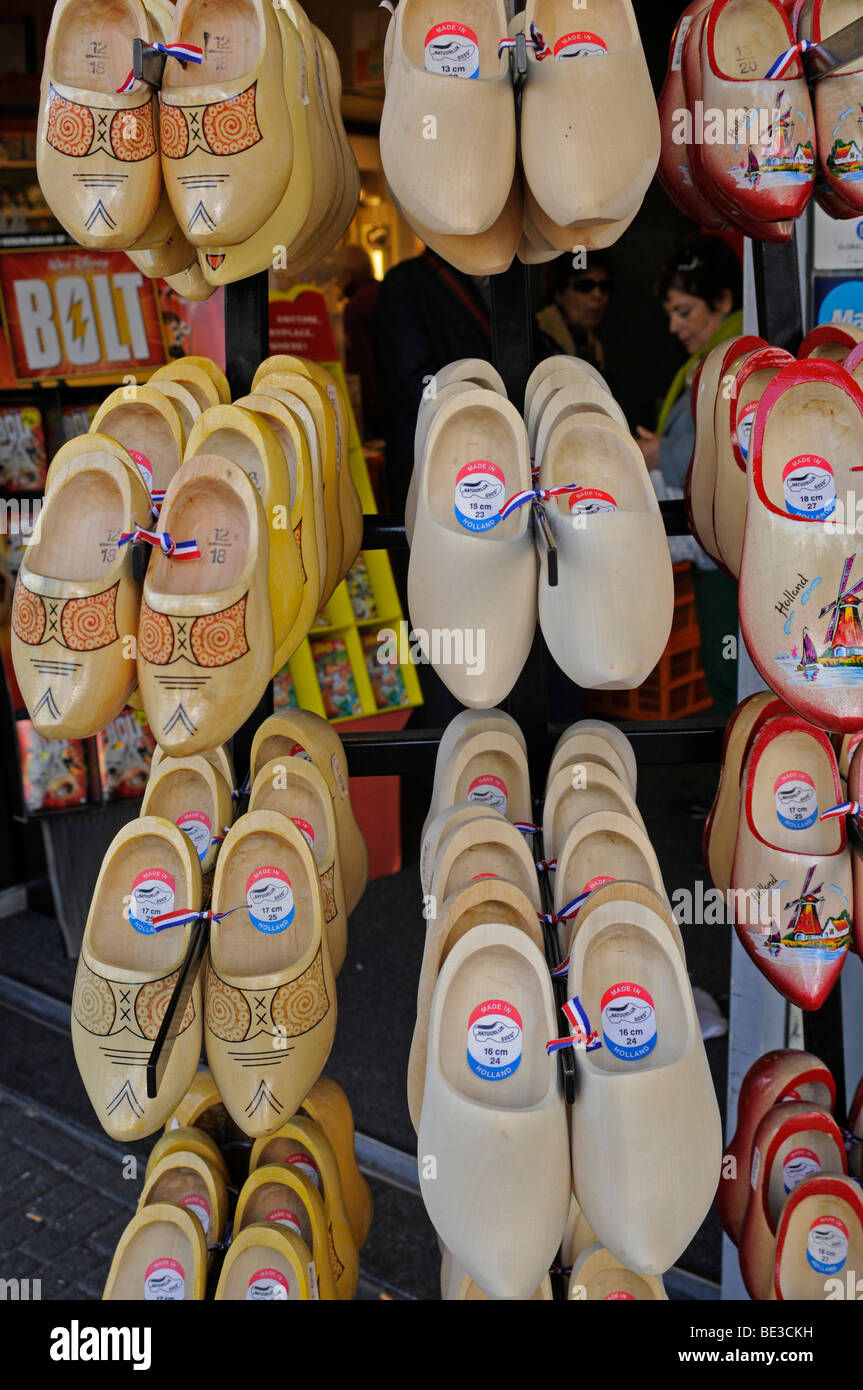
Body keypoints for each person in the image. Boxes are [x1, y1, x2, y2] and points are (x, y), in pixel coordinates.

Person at [636, 234, 744, 717]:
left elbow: (742, 442)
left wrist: (663, 454)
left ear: (722, 301)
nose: (674, 326)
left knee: (730, 674)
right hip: (722, 544)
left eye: (684, 310)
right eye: (670, 313)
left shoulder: (738, 359)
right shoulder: (716, 358)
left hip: (729, 546)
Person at [371, 247, 492, 513]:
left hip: (489, 446)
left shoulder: (501, 277)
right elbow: (414, 378)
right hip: (431, 449)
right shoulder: (405, 283)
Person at [535, 254, 613, 376]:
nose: (597, 295)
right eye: (584, 286)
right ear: (559, 293)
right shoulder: (534, 339)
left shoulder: (593, 347)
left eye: (604, 287)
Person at [337, 245, 381, 439]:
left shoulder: (356, 306)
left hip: (376, 405)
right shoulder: (381, 291)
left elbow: (361, 364)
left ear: (347, 272)